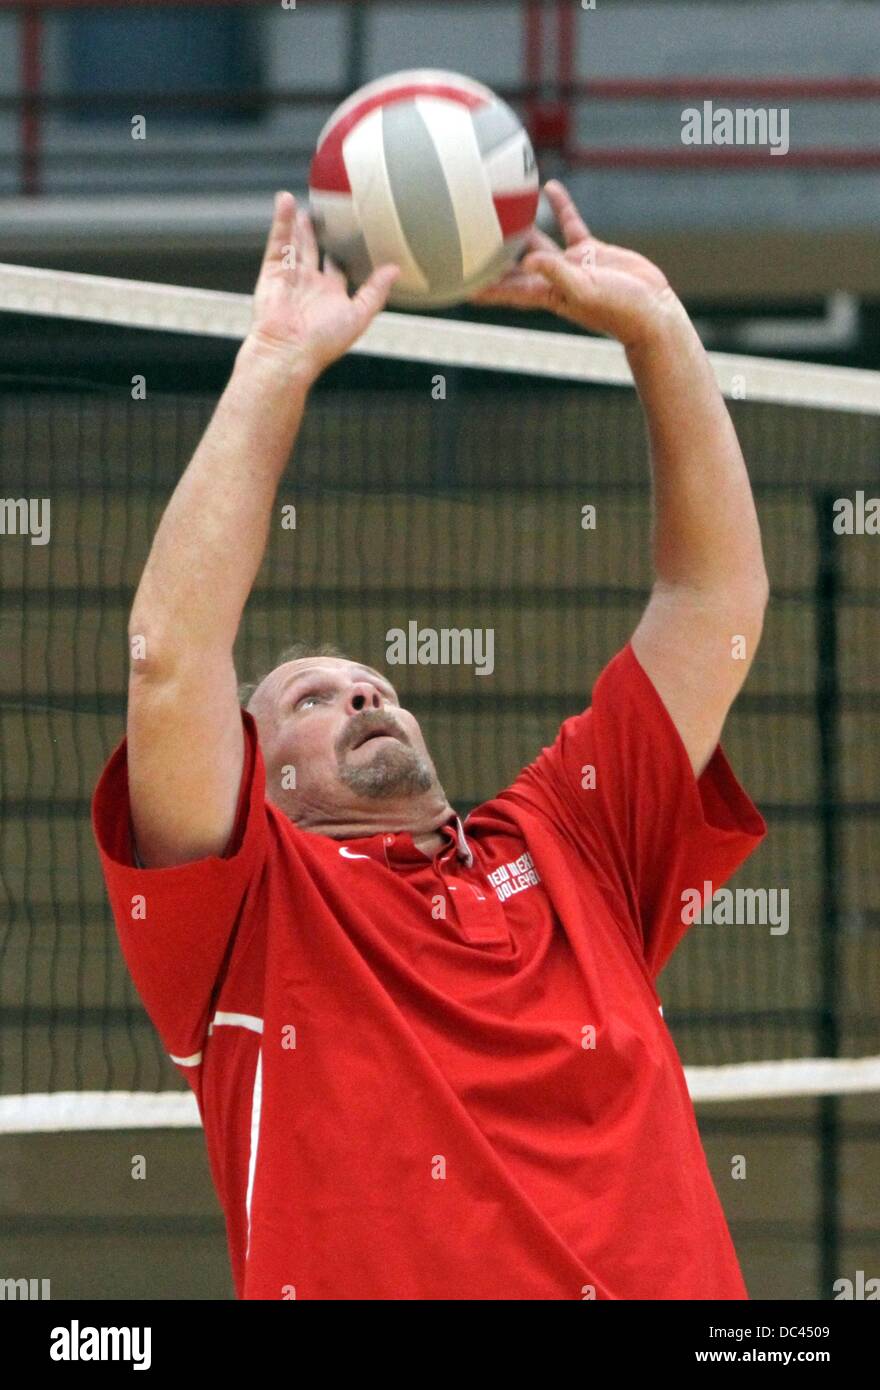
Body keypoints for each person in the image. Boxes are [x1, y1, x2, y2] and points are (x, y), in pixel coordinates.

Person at [92, 181, 769, 1300]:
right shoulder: (246, 913)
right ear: (256, 775)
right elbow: (171, 657)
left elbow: (716, 601)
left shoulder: (572, 840)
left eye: (375, 686)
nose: (363, 697)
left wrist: (661, 331)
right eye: (312, 698)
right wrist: (274, 365)